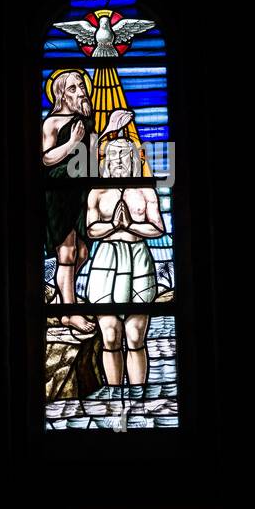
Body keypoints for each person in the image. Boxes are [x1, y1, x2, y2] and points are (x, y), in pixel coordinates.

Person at [41, 70, 132, 334]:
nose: (80, 91)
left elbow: (91, 152)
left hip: (81, 190)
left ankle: (62, 297)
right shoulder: (52, 123)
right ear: (60, 95)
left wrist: (109, 130)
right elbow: (46, 159)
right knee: (67, 253)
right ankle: (68, 312)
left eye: (81, 85)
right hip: (58, 191)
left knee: (82, 252)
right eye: (72, 88)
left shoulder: (85, 120)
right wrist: (71, 142)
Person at [84, 137, 165, 386]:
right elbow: (90, 230)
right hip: (106, 259)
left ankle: (138, 396)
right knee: (109, 335)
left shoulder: (145, 191)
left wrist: (131, 226)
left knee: (135, 334)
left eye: (124, 155)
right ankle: (114, 394)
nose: (118, 161)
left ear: (133, 159)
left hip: (138, 257)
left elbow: (158, 228)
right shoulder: (97, 191)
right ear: (106, 160)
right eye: (113, 155)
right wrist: (113, 225)